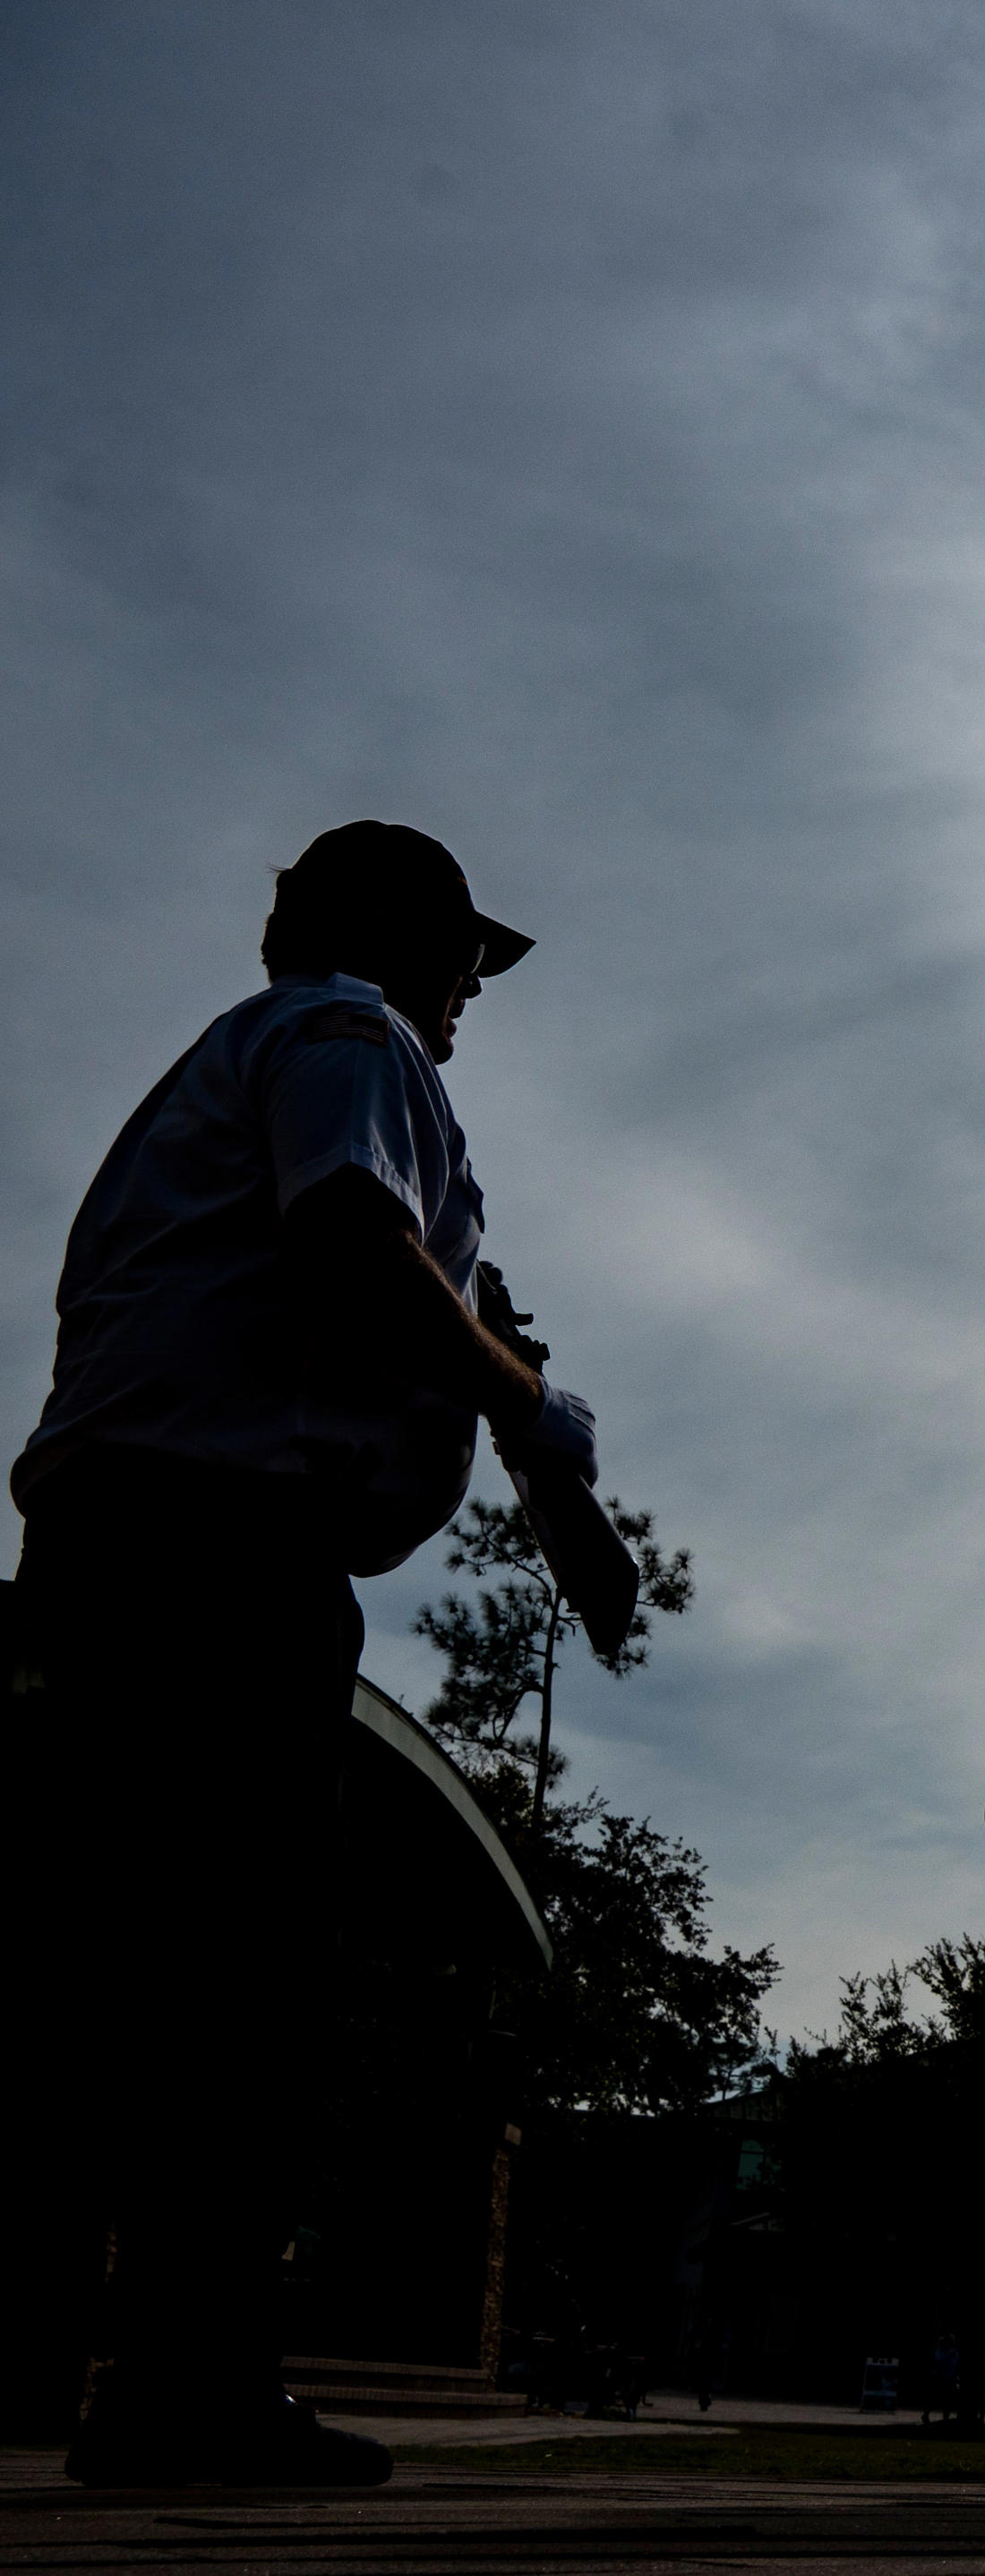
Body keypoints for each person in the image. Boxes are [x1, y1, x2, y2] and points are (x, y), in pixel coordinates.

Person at [4, 821, 586, 2488]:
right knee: (232, 1972)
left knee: (143, 1962)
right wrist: (520, 1395)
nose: (475, 993)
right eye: (469, 956)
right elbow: (346, 1231)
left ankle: (147, 2374)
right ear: (410, 941)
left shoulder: (243, 1054)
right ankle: (184, 2386)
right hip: (217, 1546)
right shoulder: (354, 1036)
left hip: (132, 1532)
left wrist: (486, 1373)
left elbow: (325, 1275)